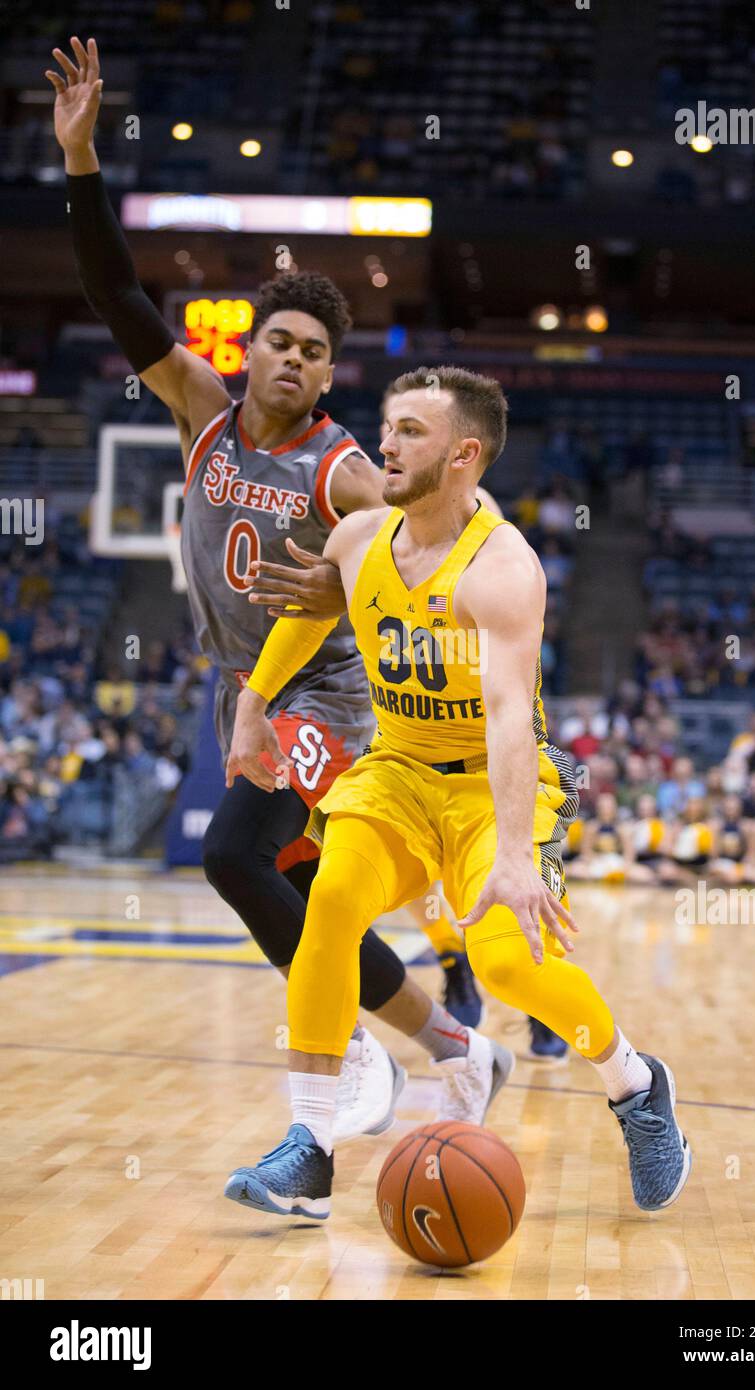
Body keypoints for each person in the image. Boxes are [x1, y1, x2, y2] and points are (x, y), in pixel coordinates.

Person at [49, 34, 502, 1143]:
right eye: (281, 343)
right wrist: (80, 163)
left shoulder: (343, 466)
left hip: (332, 697)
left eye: (314, 351)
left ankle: (343, 1048)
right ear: (249, 353)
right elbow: (117, 297)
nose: (294, 360)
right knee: (297, 892)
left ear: (329, 375)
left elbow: (436, 519)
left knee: (227, 851)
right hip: (244, 683)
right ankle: (447, 1040)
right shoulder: (200, 410)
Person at [224, 366, 692, 1220]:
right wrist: (255, 704)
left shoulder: (504, 568)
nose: (384, 445)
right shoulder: (359, 538)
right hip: (398, 771)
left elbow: (513, 716)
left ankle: (635, 1084)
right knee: (327, 904)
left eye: (409, 432)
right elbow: (309, 617)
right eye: (387, 425)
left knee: (506, 963)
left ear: (464, 455)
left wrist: (515, 855)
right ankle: (310, 1150)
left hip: (493, 785)